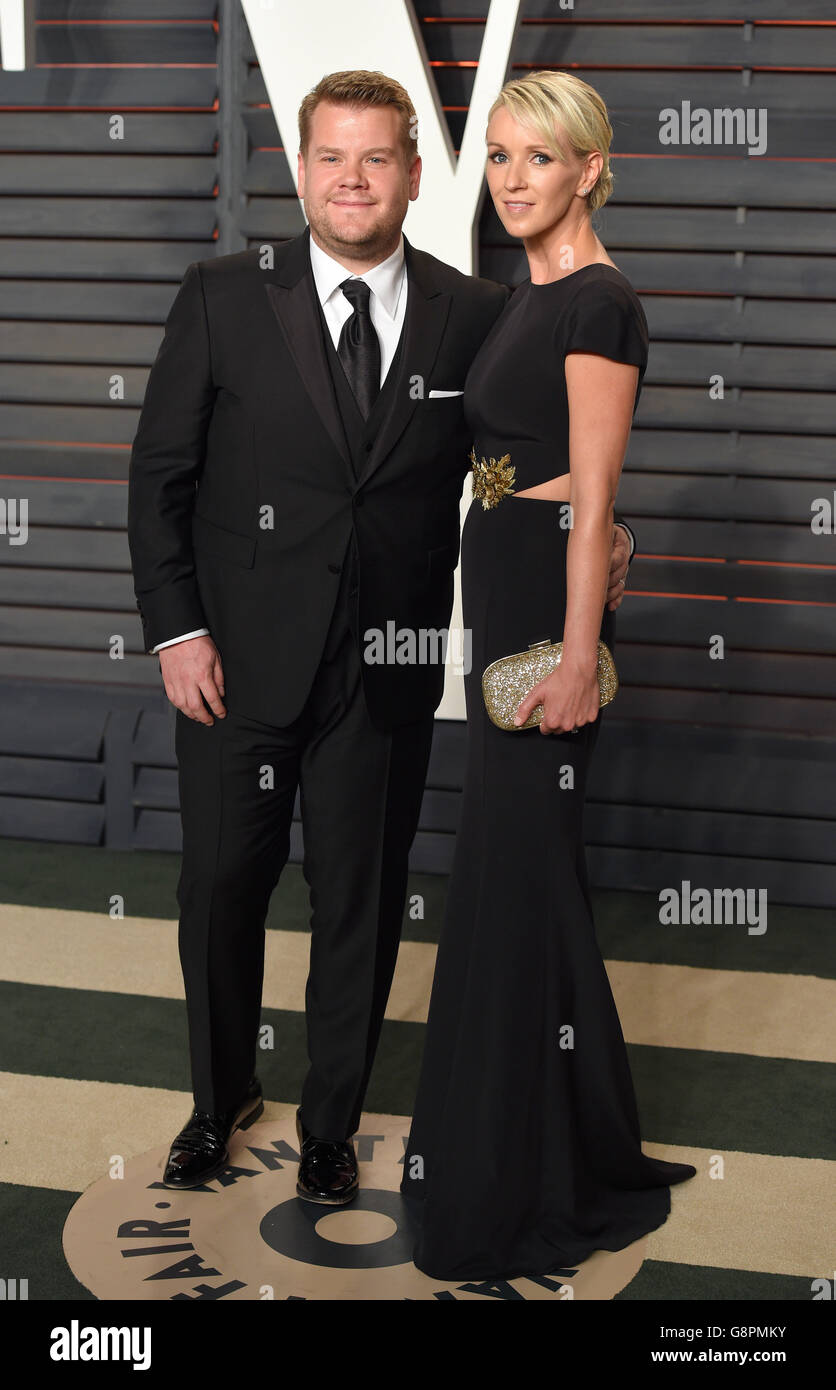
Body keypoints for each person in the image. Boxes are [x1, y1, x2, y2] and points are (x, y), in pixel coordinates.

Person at [127, 70, 635, 1205]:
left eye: (375, 159)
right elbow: (158, 478)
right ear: (299, 169)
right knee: (217, 889)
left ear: (412, 172)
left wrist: (605, 540)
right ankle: (217, 1105)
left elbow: (527, 461)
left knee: (359, 898)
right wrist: (177, 633)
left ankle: (328, 1123)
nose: (351, 180)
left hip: (389, 671)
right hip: (235, 665)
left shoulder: (476, 313)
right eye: (329, 158)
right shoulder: (220, 294)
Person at [400, 70, 696, 1279]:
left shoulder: (600, 303)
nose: (515, 179)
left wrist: (578, 655)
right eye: (504, 157)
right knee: (527, 881)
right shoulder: (528, 296)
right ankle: (581, 1141)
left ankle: (529, 1179)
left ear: (587, 168)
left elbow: (593, 485)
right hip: (509, 580)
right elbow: (546, 475)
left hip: (543, 617)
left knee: (520, 881)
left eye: (539, 158)